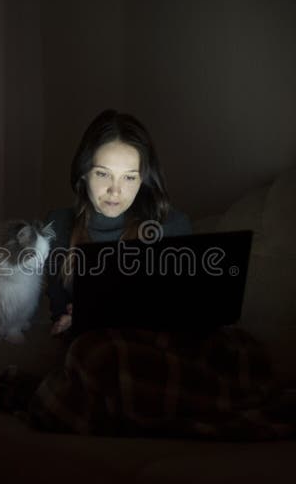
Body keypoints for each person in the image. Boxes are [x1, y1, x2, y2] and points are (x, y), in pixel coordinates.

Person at [44, 109, 192, 336]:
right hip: (89, 344)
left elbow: (181, 310)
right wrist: (71, 320)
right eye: (103, 174)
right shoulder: (57, 224)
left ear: (143, 180)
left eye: (129, 177)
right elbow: (59, 311)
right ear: (83, 173)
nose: (115, 190)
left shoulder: (172, 226)